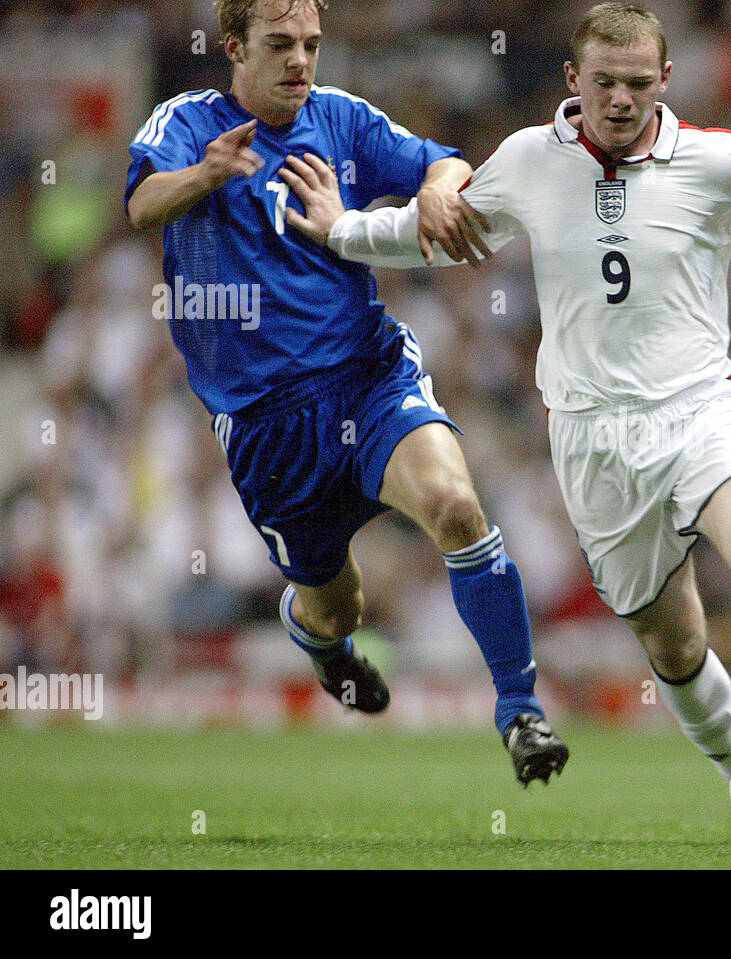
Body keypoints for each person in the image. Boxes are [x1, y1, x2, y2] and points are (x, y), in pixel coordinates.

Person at [282, 1, 731, 777]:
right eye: (605, 82)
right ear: (574, 78)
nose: (621, 99)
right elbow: (445, 233)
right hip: (592, 437)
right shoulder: (530, 160)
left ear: (665, 79)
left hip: (701, 410)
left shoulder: (715, 160)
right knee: (675, 643)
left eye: (637, 82)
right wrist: (343, 229)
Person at [124, 0, 569, 786]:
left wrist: (439, 189)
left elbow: (443, 161)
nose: (300, 60)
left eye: (311, 44)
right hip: (266, 425)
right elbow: (140, 204)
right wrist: (207, 174)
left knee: (456, 507)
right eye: (280, 44)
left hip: (368, 378)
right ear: (234, 47)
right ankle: (323, 643)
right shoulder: (189, 123)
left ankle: (520, 712)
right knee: (339, 607)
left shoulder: (343, 118)